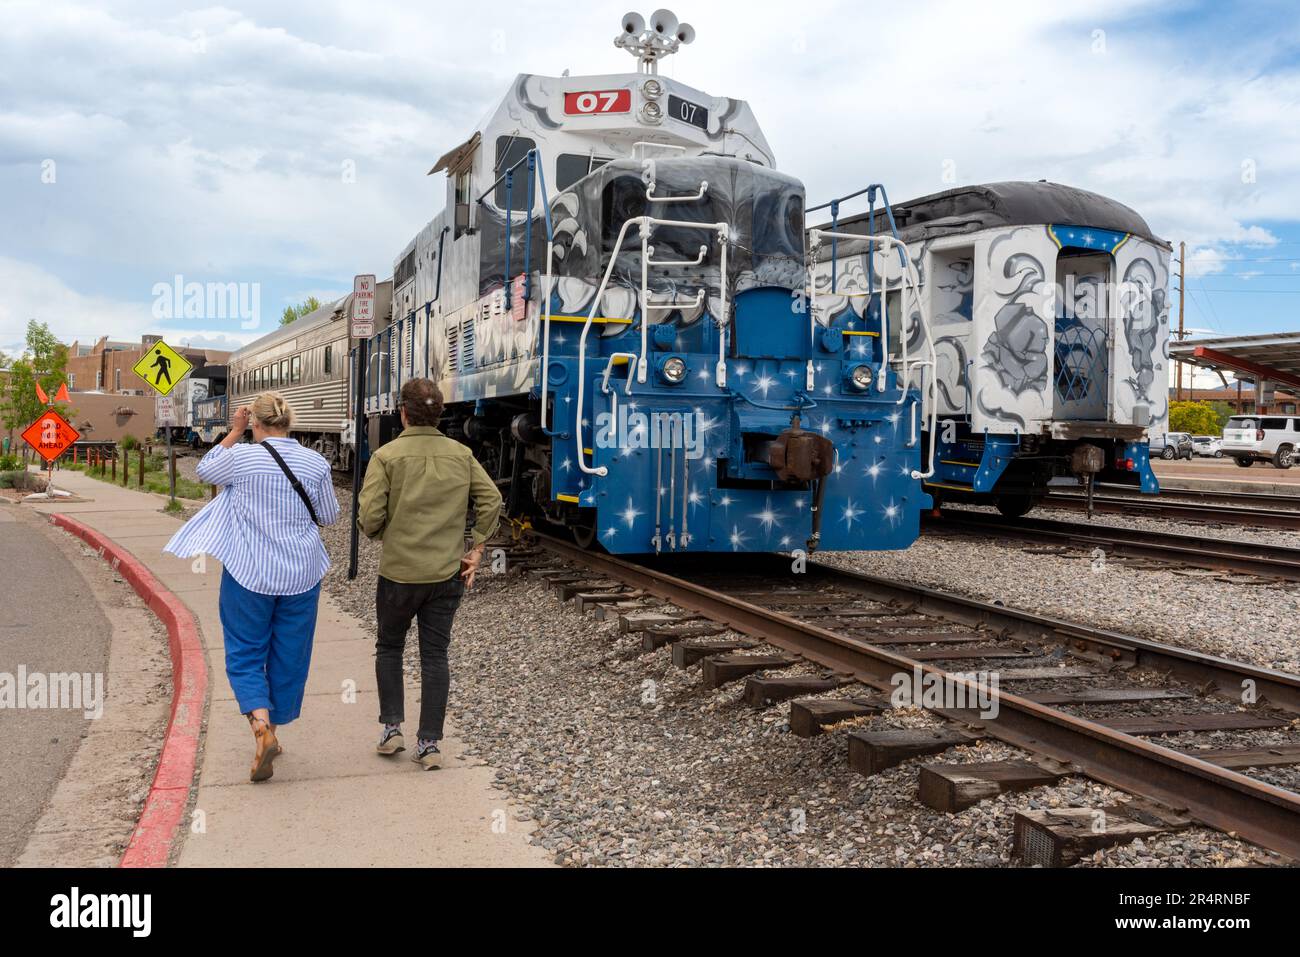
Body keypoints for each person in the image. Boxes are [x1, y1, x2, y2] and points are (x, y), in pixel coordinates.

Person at [163, 392, 339, 782]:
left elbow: (205, 470)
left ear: (255, 422)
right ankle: (272, 734)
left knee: (245, 651)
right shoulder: (315, 462)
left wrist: (233, 432)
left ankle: (259, 726)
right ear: (288, 422)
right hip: (301, 574)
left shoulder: (240, 458)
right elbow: (328, 514)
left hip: (250, 573)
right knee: (289, 653)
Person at [357, 378, 501, 770]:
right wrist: (476, 547)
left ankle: (392, 730)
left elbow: (369, 519)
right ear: (440, 414)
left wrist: (387, 532)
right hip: (445, 574)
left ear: (403, 413)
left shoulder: (386, 456)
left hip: (400, 574)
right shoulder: (461, 454)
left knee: (389, 647)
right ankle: (430, 744)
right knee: (435, 655)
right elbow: (491, 499)